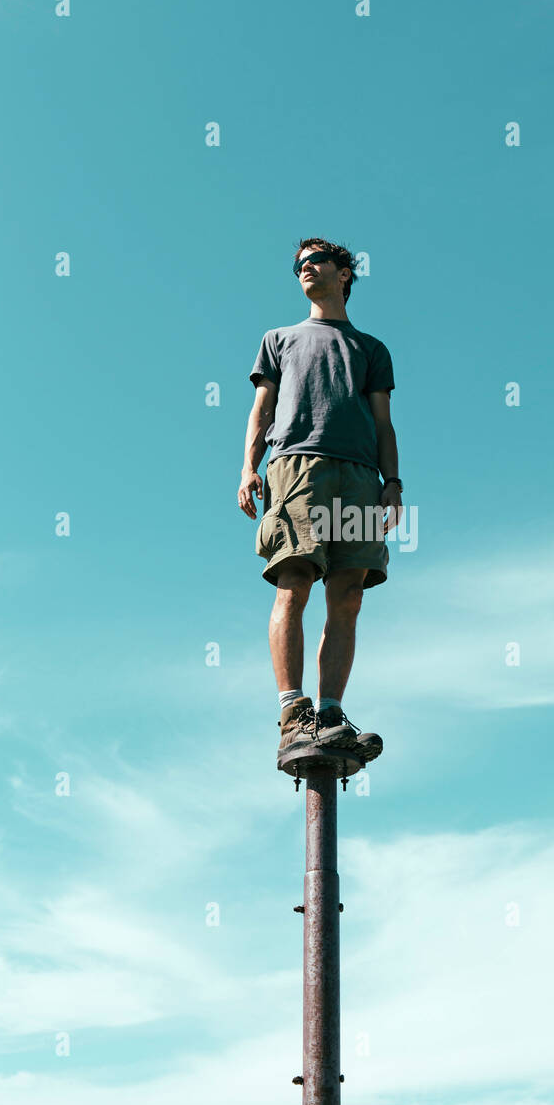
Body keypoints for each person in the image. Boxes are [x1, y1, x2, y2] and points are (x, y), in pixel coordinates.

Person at [238, 237, 403, 764]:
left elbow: (383, 422)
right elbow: (260, 411)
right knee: (295, 579)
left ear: (344, 272)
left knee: (348, 594)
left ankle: (330, 715)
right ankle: (293, 714)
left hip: (358, 475)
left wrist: (393, 483)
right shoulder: (278, 339)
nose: (305, 269)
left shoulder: (371, 349)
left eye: (316, 261)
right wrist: (247, 467)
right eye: (298, 265)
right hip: (296, 467)